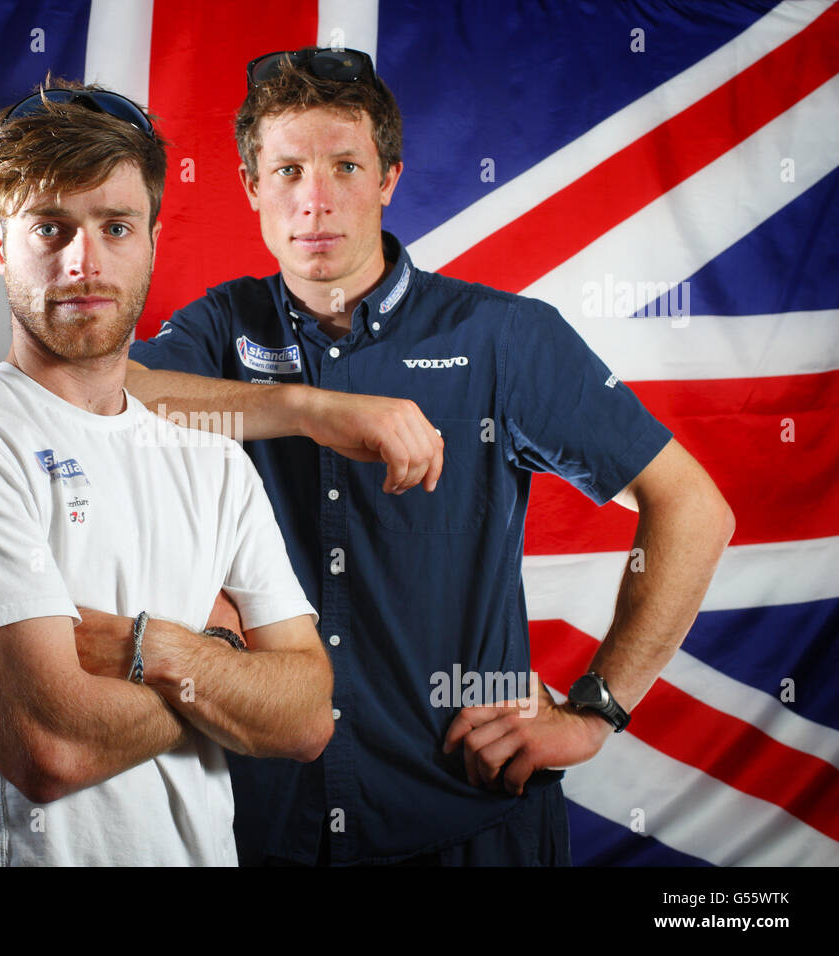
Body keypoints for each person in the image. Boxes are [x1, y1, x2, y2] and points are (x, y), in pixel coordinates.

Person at [126, 47, 735, 865]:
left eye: (346, 166)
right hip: (269, 825)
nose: (316, 201)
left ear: (389, 179)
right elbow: (109, 401)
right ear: (250, 188)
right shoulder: (222, 328)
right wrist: (306, 409)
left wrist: (596, 711)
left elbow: (692, 508)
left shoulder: (503, 338)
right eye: (288, 170)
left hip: (468, 817)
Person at [0, 78, 333, 867]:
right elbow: (52, 749)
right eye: (49, 228)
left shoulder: (216, 463)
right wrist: (226, 665)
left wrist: (153, 648)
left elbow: (307, 718)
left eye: (115, 226)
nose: (83, 261)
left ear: (153, 239)